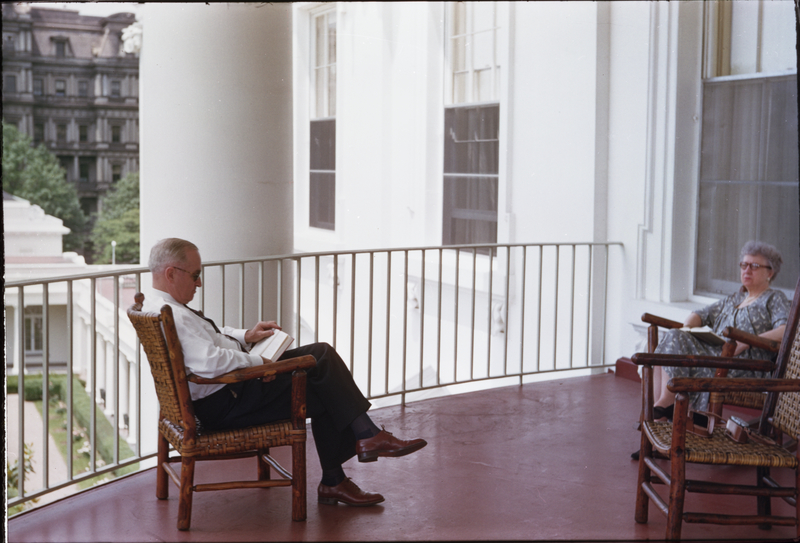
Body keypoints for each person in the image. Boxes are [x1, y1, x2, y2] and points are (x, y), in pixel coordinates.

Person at [144, 238, 427, 507]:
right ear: (171, 273)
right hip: (227, 402)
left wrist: (247, 335)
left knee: (321, 361)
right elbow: (210, 362)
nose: (199, 282)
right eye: (195, 275)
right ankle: (355, 449)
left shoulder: (159, 307)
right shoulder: (173, 314)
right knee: (324, 372)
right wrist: (259, 363)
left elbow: (211, 337)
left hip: (226, 394)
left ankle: (351, 457)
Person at [651, 241, 789, 419]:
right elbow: (700, 314)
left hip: (744, 364)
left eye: (754, 266)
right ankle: (663, 410)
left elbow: (784, 330)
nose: (747, 270)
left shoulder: (774, 298)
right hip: (718, 356)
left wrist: (744, 342)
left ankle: (665, 410)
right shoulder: (734, 299)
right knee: (672, 338)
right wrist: (687, 329)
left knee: (674, 340)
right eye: (744, 265)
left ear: (770, 272)